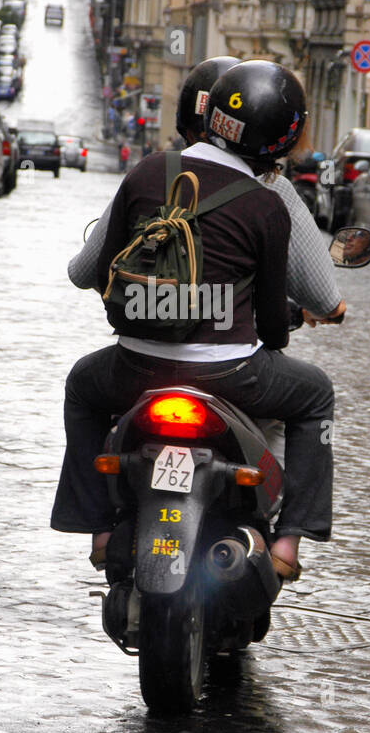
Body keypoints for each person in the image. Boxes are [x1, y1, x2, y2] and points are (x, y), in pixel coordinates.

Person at [51, 60, 343, 583]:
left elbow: (98, 271)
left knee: (82, 384)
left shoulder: (146, 172)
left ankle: (97, 528)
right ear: (280, 139)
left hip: (135, 366)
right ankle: (289, 542)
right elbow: (274, 331)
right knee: (316, 394)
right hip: (230, 375)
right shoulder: (267, 204)